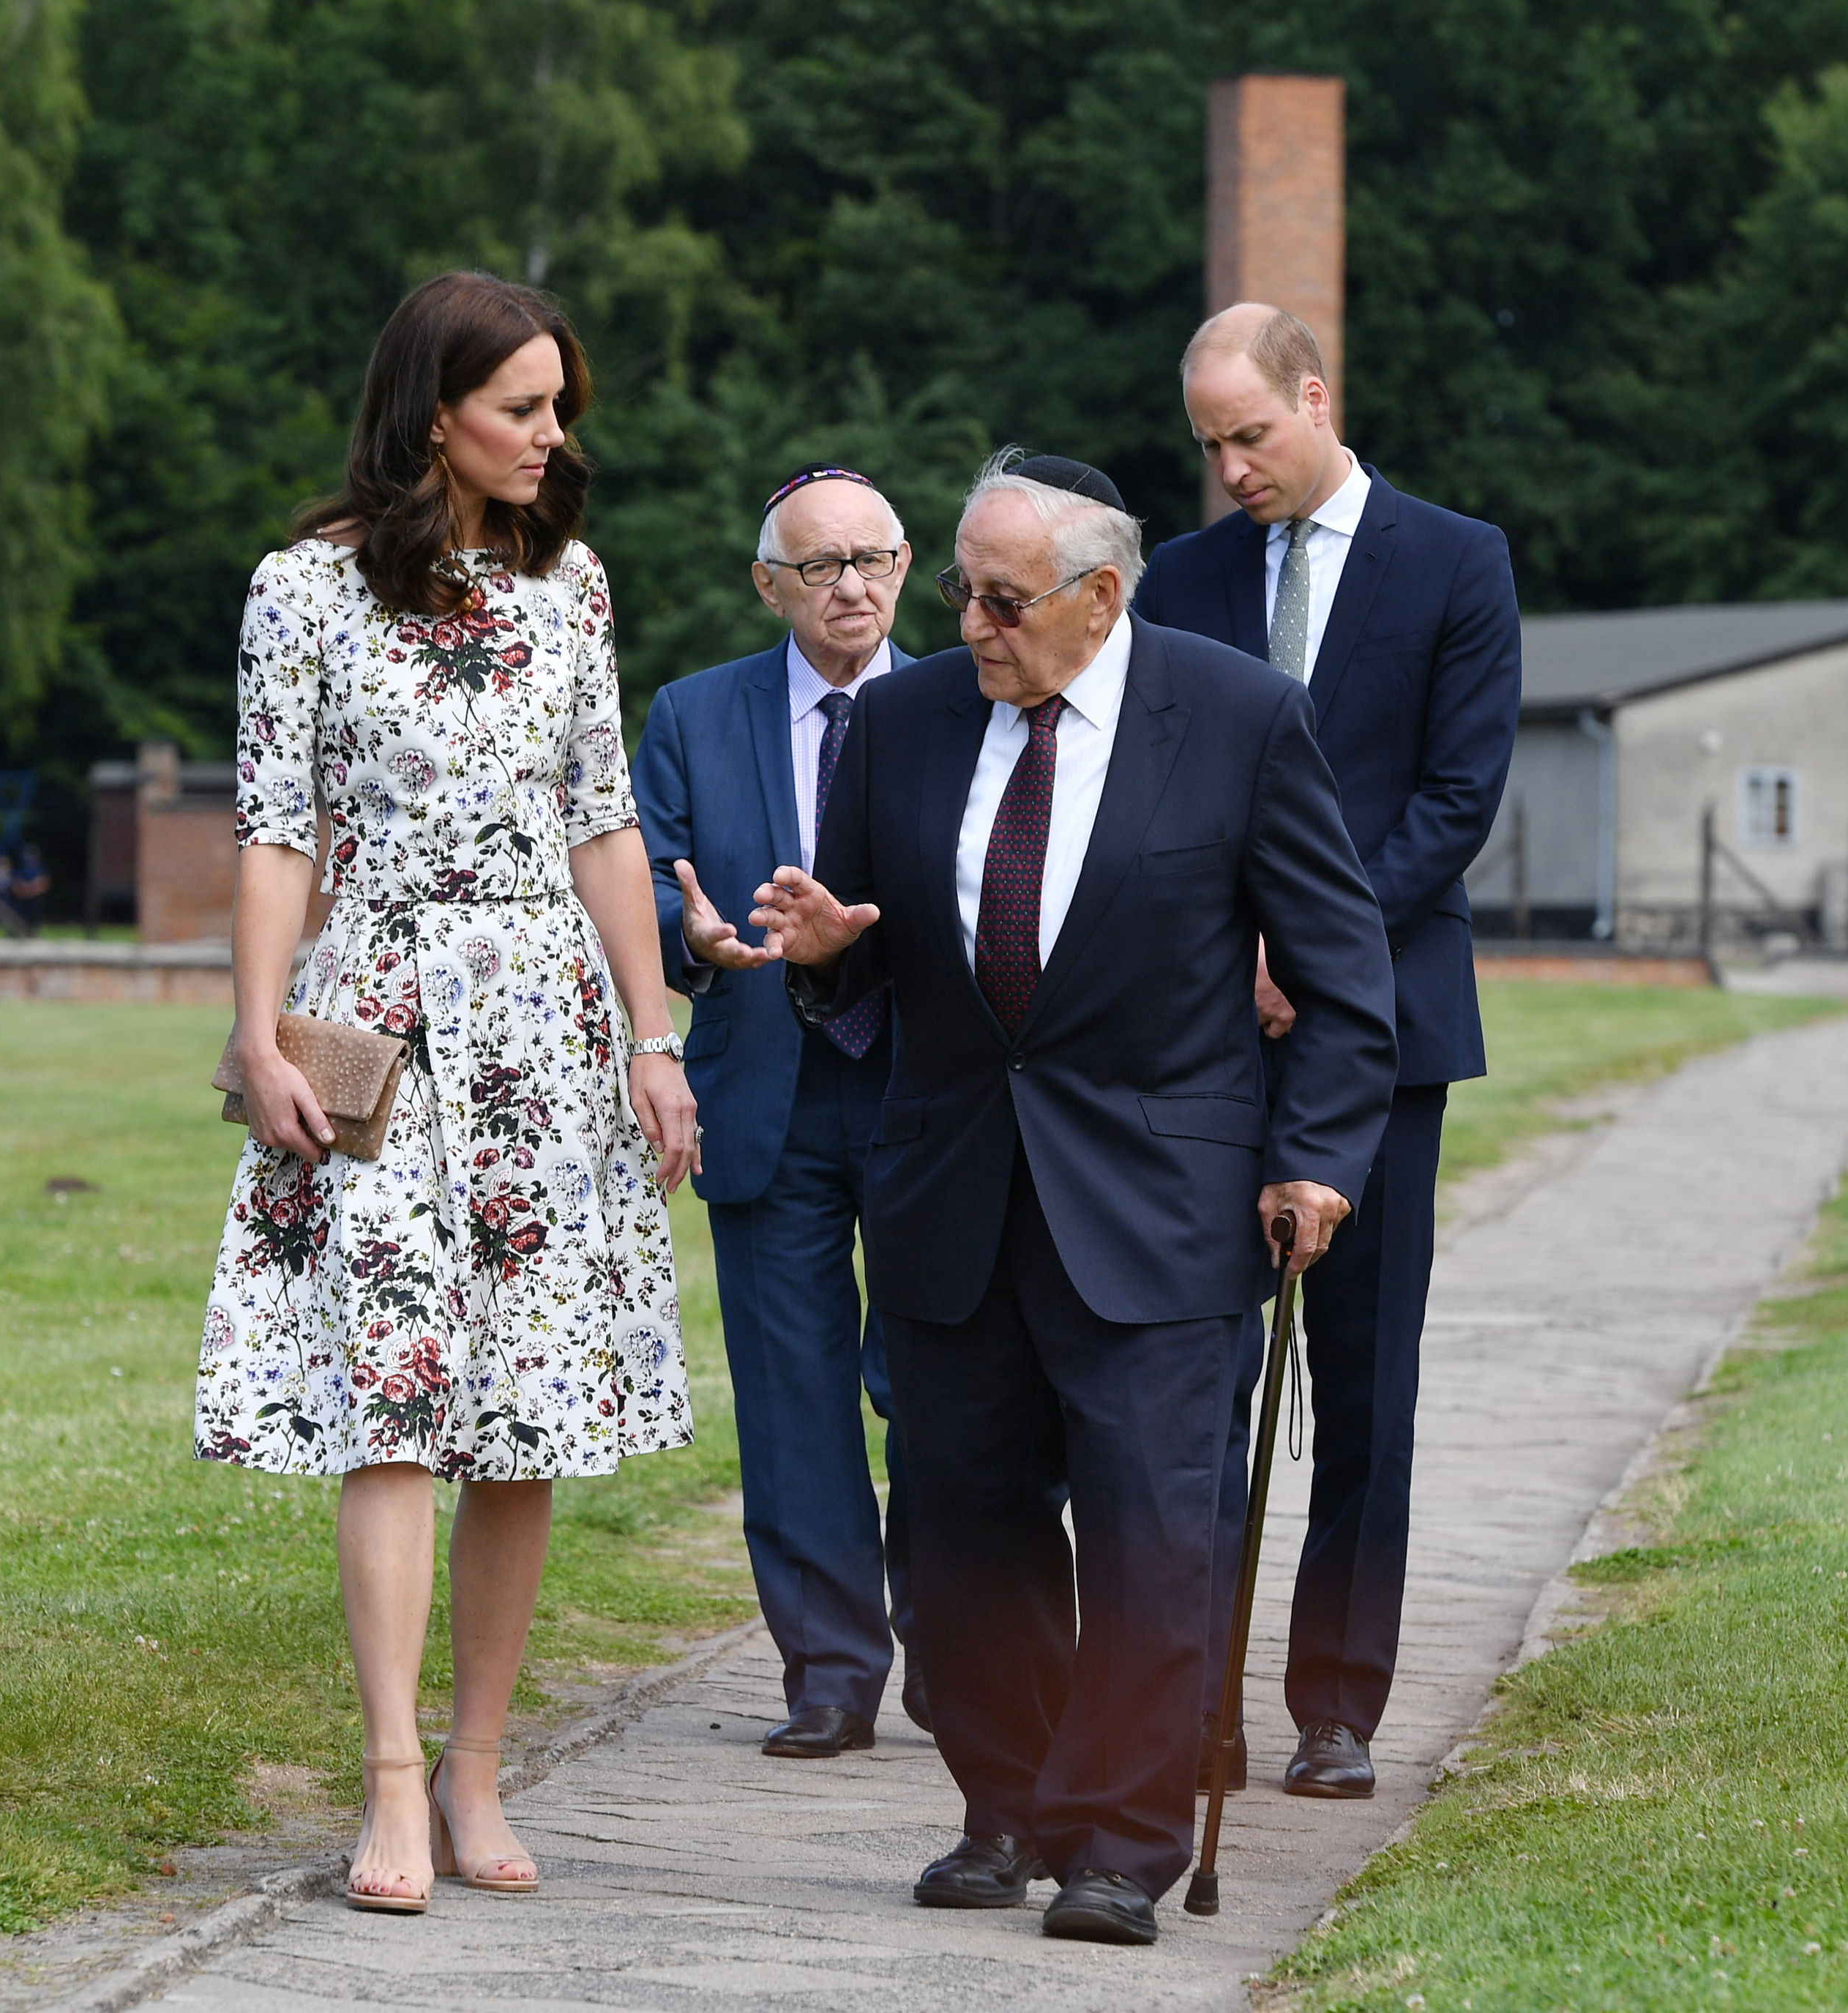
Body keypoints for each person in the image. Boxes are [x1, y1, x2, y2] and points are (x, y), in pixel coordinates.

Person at [748, 449, 1396, 1945]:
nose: (964, 623)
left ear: (1099, 596)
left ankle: (1119, 1835)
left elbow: (1346, 975)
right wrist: (832, 952)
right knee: (960, 1540)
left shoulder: (1235, 719)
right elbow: (855, 967)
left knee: (1154, 1537)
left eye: (998, 598)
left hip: (1162, 1206)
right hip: (953, 1196)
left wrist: (1315, 1158)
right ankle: (1011, 1796)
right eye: (962, 590)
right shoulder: (904, 722)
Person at [195, 270, 699, 1915]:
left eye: (563, 408)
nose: (555, 438)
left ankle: (482, 1763)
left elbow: (603, 821)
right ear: (435, 417)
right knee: (394, 1397)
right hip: (387, 1027)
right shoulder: (304, 590)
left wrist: (651, 1034)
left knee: (523, 1413)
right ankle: (394, 1778)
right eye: (525, 408)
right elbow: (275, 830)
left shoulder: (573, 592)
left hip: (547, 1034)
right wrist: (262, 1033)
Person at [1134, 304, 1521, 1801]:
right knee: (1196, 1381)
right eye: (1208, 446)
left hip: (1386, 1035)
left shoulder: (1453, 559)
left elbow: (1456, 795)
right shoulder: (1182, 578)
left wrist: (1310, 944)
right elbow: (1162, 790)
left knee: (1362, 1383)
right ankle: (1191, 1696)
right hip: (1211, 1034)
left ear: (1314, 397)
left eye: (1250, 435)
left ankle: (1336, 1705)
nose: (1231, 468)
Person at [630, 463, 921, 1757]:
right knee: (793, 1392)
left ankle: (963, 1649)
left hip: (932, 1092)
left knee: (938, 1387)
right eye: (819, 566)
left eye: (871, 558)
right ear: (768, 585)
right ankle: (831, 1671)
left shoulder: (968, 700)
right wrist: (684, 937)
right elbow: (636, 877)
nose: (850, 586)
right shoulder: (696, 715)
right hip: (767, 1088)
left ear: (907, 566)